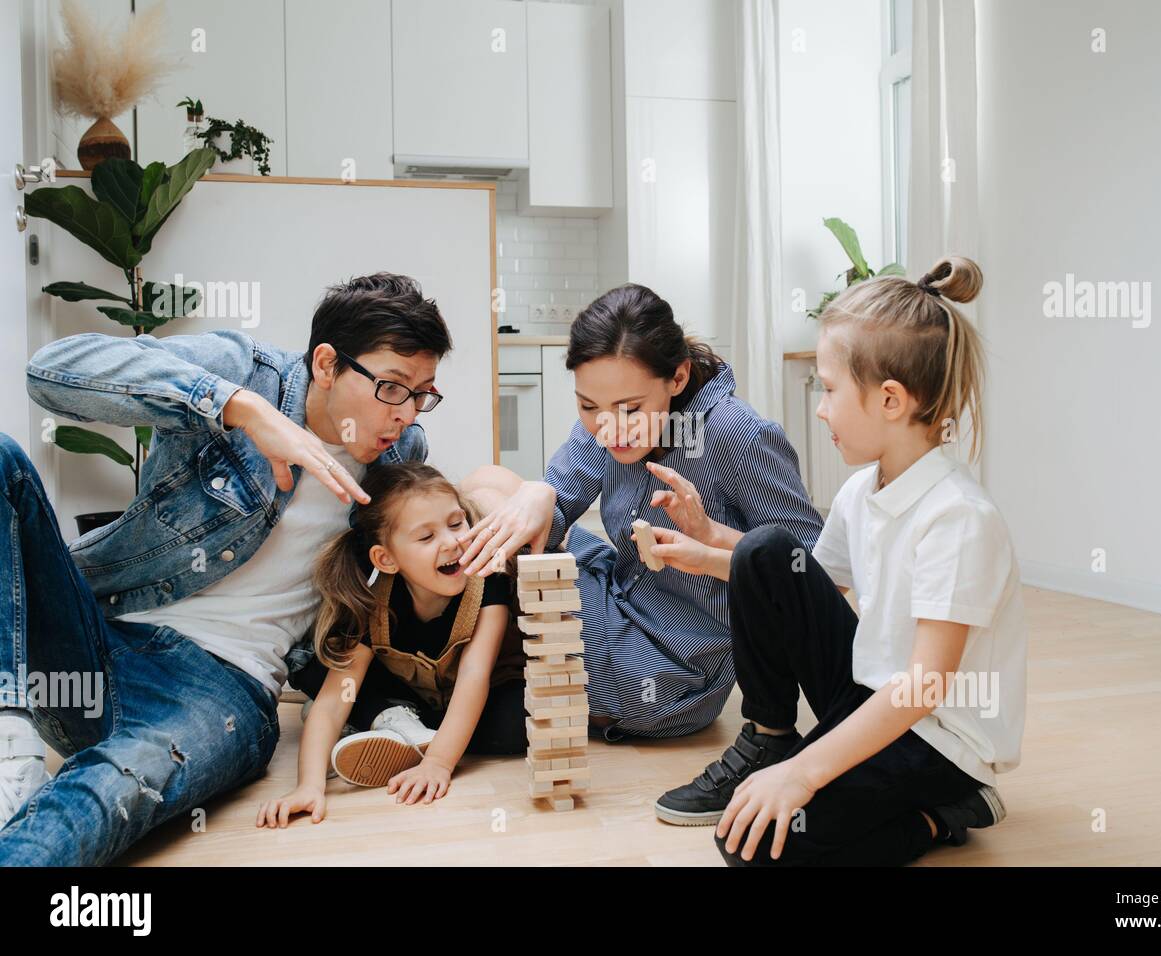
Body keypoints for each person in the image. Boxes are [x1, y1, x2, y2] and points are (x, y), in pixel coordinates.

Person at [0, 273, 451, 865]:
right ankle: (10, 743)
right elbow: (52, 371)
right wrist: (236, 409)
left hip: (219, 688)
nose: (406, 414)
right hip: (96, 639)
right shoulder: (244, 372)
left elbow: (426, 538)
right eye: (392, 388)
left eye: (422, 394)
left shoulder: (400, 454)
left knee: (112, 787)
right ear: (325, 364)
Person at [653, 257, 1027, 865]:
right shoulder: (863, 490)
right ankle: (771, 739)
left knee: (753, 846)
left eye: (828, 390)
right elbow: (802, 585)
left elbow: (924, 687)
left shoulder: (958, 518)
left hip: (940, 740)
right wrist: (708, 540)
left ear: (889, 400)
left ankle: (944, 815)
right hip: (870, 697)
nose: (821, 409)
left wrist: (805, 776)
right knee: (769, 548)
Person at [457, 284, 824, 740]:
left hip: (672, 676)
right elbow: (552, 518)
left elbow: (809, 568)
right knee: (486, 483)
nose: (609, 426)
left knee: (490, 500)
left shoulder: (736, 434)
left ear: (678, 378)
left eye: (631, 408)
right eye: (588, 406)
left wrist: (711, 547)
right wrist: (540, 493)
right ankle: (468, 668)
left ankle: (467, 677)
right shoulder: (608, 425)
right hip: (619, 599)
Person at [257, 463, 526, 828]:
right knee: (318, 673)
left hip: (468, 694)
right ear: (387, 559)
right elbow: (335, 700)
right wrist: (309, 786)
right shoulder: (373, 601)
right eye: (426, 537)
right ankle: (396, 724)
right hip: (409, 696)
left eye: (455, 523)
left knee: (518, 725)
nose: (451, 542)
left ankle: (402, 734)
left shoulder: (486, 579)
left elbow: (474, 676)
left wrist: (438, 764)